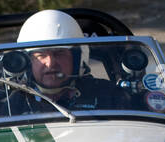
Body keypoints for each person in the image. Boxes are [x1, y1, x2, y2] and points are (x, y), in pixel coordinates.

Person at [12, 9, 140, 111]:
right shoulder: (15, 104)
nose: (50, 63)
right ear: (28, 62)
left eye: (59, 53)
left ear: (78, 57)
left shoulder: (109, 95)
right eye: (40, 55)